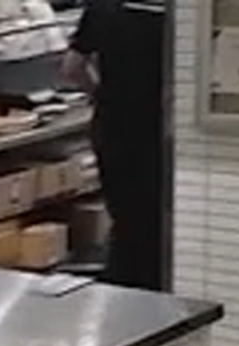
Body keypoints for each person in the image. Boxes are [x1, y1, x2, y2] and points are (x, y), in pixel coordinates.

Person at [62, 0, 169, 291]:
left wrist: (100, 92)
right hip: (160, 129)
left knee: (125, 216)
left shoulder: (103, 5)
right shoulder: (177, 13)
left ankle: (123, 289)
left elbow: (72, 68)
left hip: (114, 126)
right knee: (158, 219)